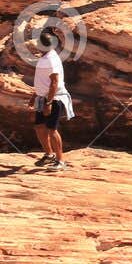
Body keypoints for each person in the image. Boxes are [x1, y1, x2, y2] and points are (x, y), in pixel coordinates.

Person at [31, 28, 74, 171]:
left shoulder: (51, 60)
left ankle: (60, 161)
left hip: (54, 98)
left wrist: (49, 103)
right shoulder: (45, 57)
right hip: (43, 97)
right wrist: (35, 95)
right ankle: (49, 155)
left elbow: (54, 82)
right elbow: (41, 79)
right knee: (39, 127)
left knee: (51, 129)